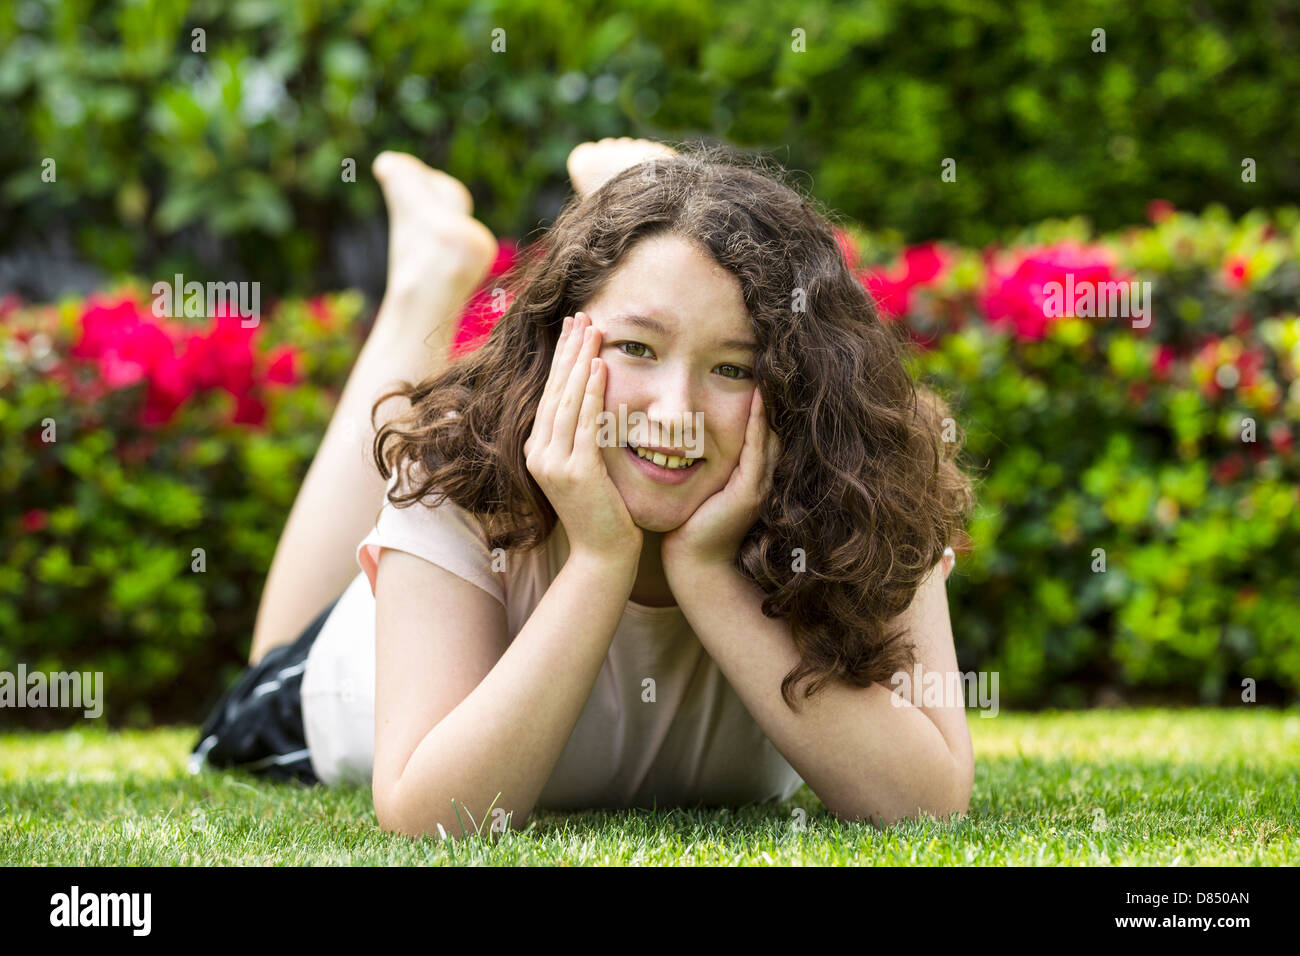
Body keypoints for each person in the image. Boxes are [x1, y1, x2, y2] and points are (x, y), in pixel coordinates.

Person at [191, 138, 976, 840]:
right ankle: (426, 279)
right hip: (350, 668)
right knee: (269, 659)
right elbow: (432, 818)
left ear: (802, 379)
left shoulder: (858, 480)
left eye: (733, 367)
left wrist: (704, 573)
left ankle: (641, 209)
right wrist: (601, 558)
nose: (676, 415)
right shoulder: (461, 475)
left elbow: (925, 803)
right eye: (635, 345)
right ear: (560, 339)